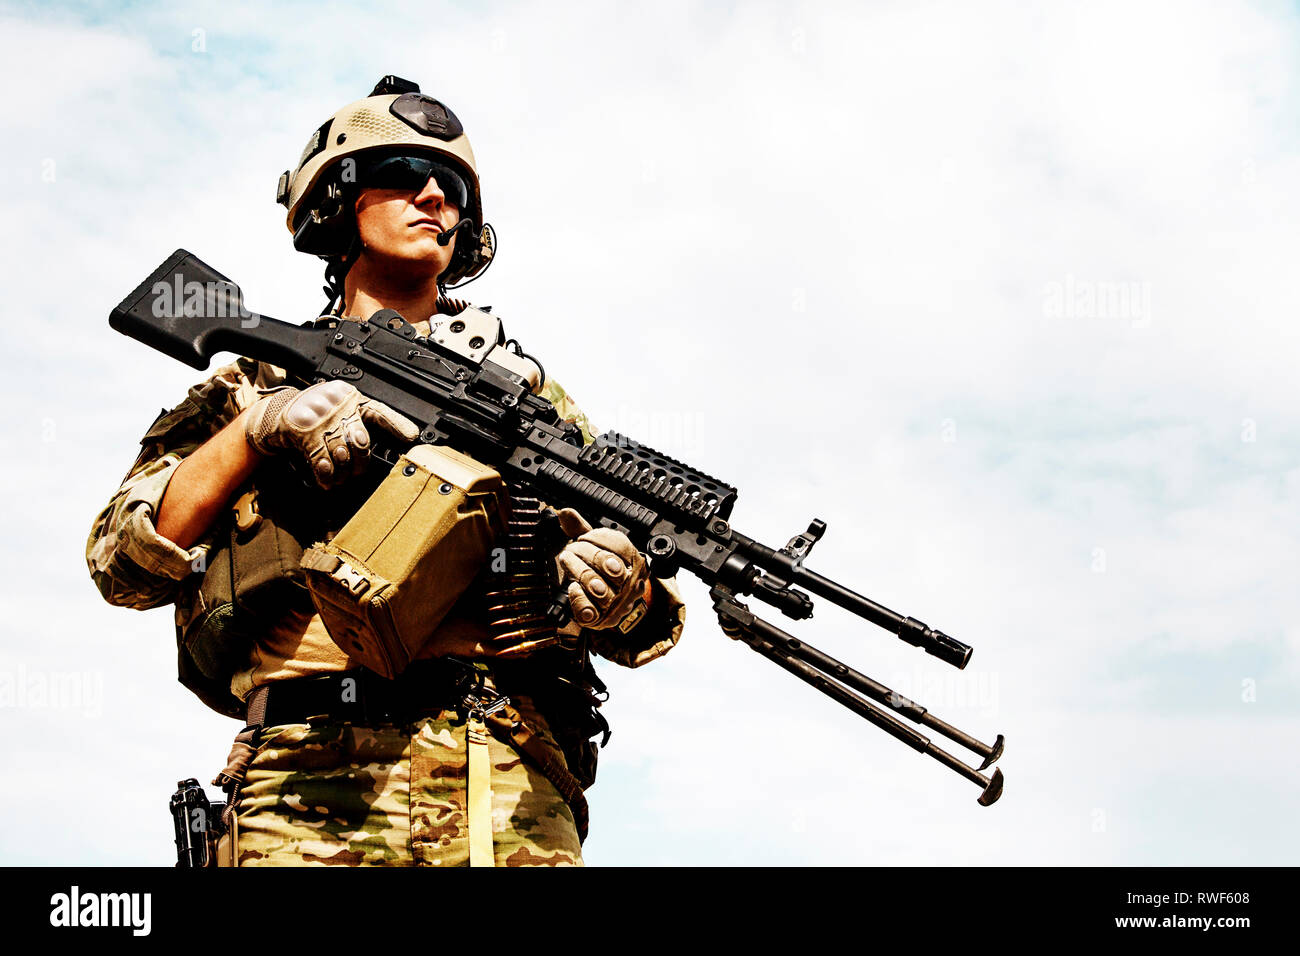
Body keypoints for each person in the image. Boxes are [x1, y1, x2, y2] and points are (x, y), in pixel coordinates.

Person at [85, 75, 687, 867]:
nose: (434, 194)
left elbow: (650, 616)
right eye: (403, 172)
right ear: (335, 200)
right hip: (308, 790)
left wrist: (619, 591)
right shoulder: (252, 384)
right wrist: (258, 430)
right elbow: (122, 564)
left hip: (504, 789)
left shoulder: (530, 402)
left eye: (453, 188)